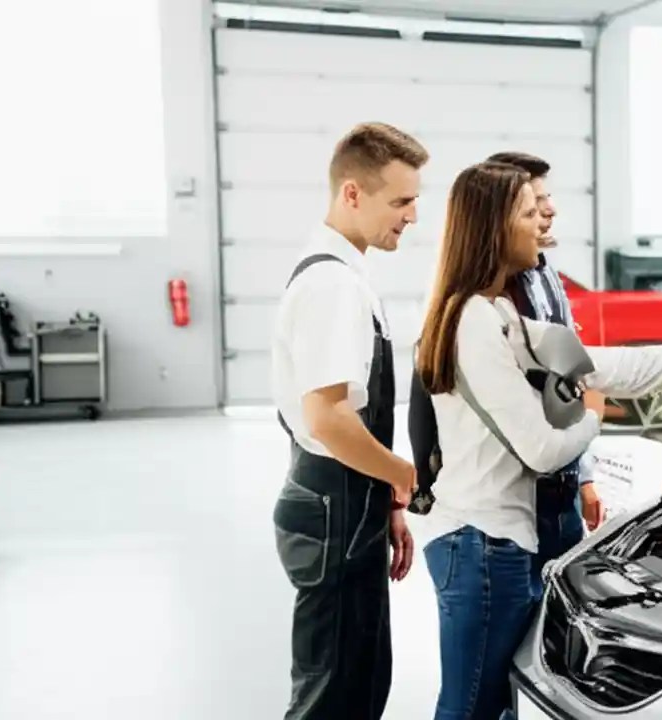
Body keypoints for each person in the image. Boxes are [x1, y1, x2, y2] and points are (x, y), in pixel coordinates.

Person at [415, 160, 662, 720]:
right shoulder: (473, 322)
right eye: (529, 212)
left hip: (497, 541)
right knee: (469, 709)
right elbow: (541, 447)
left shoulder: (498, 311)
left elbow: (592, 362)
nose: (543, 220)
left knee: (492, 707)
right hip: (482, 544)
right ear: (492, 225)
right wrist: (591, 419)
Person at [269, 121, 427, 720]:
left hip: (345, 500)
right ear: (352, 194)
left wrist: (386, 500)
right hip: (333, 504)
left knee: (358, 683)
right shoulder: (332, 284)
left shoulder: (347, 273)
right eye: (402, 201)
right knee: (333, 697)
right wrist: (402, 475)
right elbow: (330, 418)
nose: (412, 216)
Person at [484, 150, 599, 590]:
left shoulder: (543, 271)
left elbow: (569, 377)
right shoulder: (490, 294)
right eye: (535, 203)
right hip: (521, 496)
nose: (549, 210)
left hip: (560, 487)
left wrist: (583, 476)